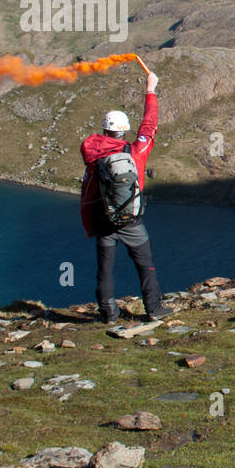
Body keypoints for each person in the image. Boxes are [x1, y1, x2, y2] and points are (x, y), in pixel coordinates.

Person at [79, 66, 173, 322]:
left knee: (104, 269)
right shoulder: (136, 152)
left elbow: (87, 195)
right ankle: (154, 309)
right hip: (131, 219)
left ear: (104, 129)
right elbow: (149, 125)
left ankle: (108, 314)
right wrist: (150, 90)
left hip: (103, 219)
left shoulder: (92, 157)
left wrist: (89, 226)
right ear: (124, 130)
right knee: (145, 264)